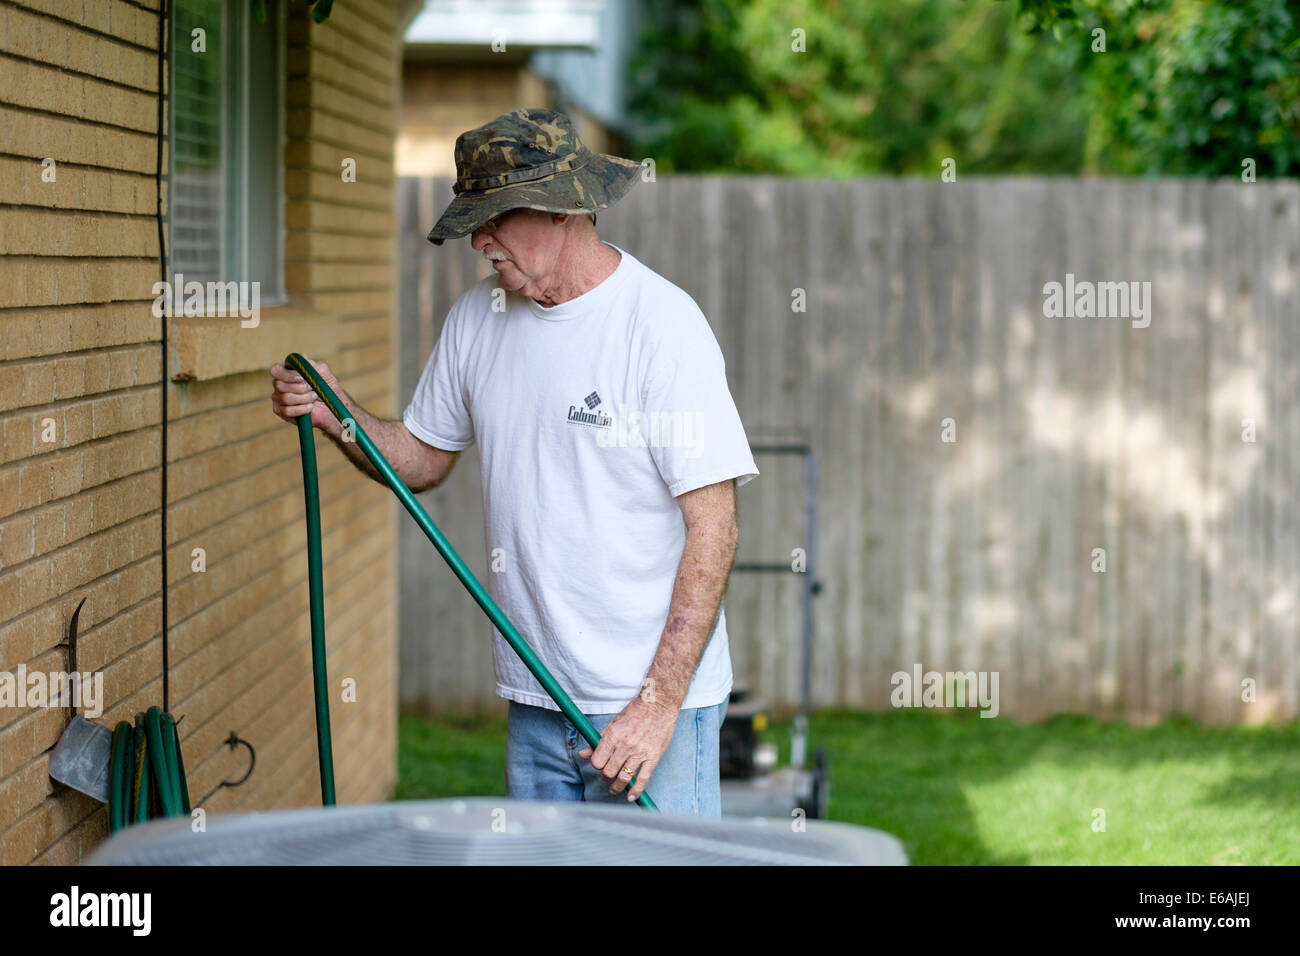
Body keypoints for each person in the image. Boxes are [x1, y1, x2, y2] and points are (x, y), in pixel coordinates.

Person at [270, 108, 758, 816]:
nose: (479, 240)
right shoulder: (478, 319)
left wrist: (655, 707)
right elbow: (423, 458)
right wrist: (337, 415)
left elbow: (715, 530)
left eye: (496, 217)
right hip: (537, 702)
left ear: (564, 208)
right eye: (475, 219)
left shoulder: (660, 328)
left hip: (656, 714)